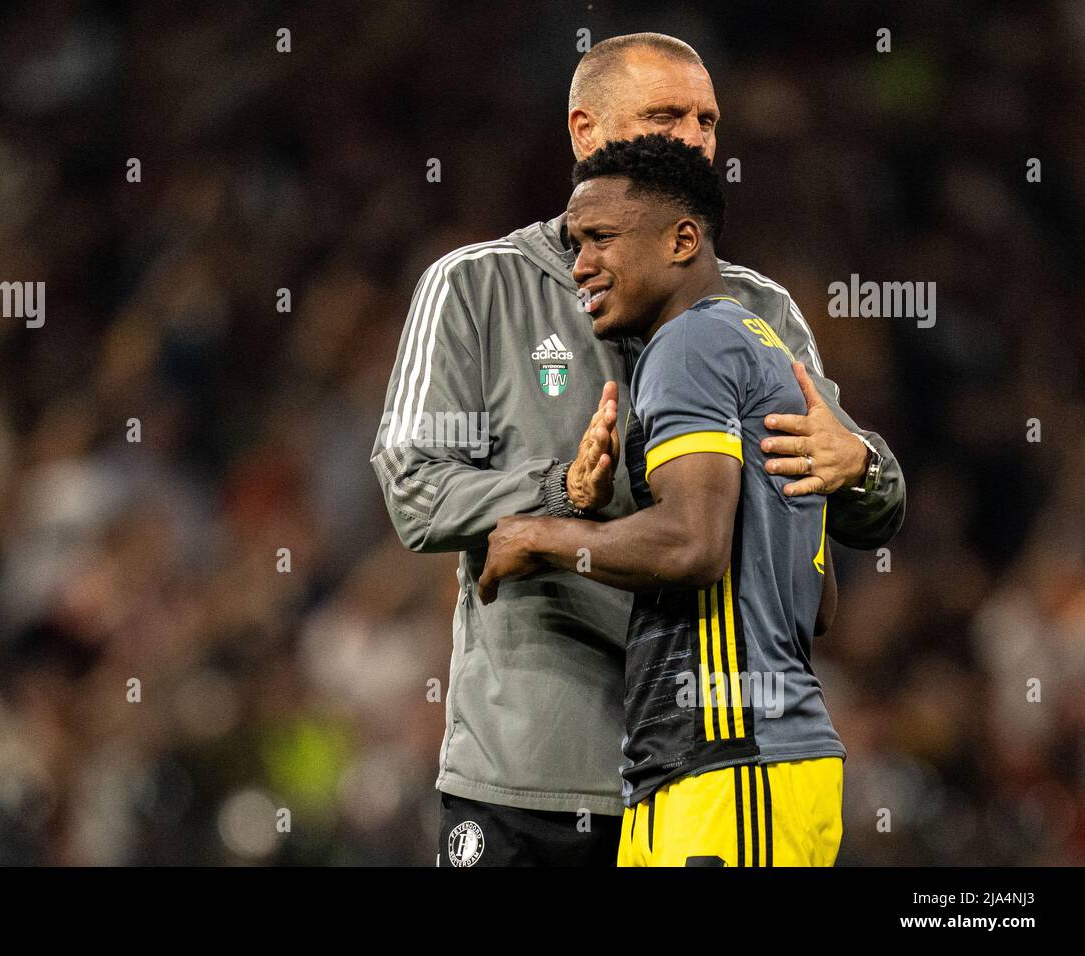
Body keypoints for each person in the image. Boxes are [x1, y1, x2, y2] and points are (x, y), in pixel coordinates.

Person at [370, 32, 902, 867]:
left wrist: (863, 469)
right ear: (584, 132)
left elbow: (850, 528)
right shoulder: (476, 286)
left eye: (706, 120)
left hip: (705, 766)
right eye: (665, 114)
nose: (692, 137)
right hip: (530, 773)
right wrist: (555, 491)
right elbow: (411, 490)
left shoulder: (764, 314)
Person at [479, 132, 846, 866]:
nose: (581, 265)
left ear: (683, 239)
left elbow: (690, 545)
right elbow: (822, 599)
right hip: (719, 766)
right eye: (576, 242)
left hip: (733, 761)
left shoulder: (689, 347)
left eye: (602, 239)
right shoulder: (756, 343)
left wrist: (535, 536)